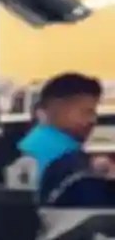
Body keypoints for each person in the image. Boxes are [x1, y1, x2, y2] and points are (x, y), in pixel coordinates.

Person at [12, 72, 114, 206]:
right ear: (56, 109)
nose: (92, 120)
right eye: (86, 112)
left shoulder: (28, 142)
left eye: (94, 112)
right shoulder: (61, 153)